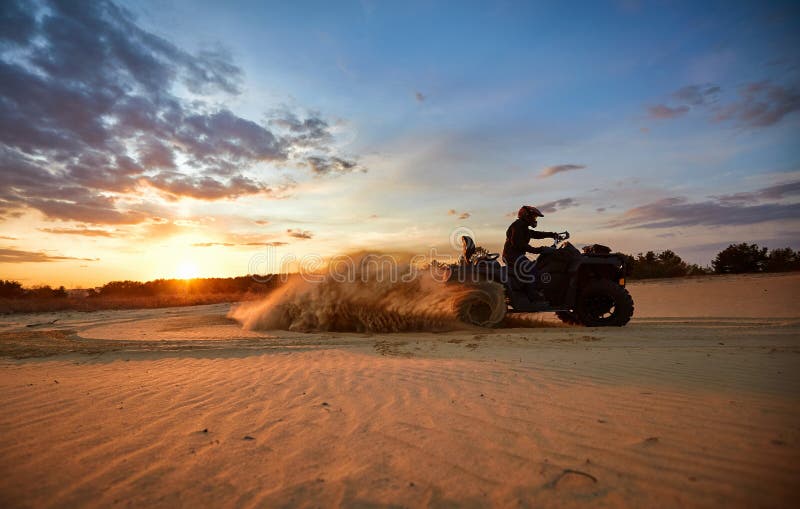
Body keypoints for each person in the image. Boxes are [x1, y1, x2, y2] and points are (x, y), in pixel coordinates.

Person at [502, 205, 560, 285]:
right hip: (512, 257)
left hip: (517, 256)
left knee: (538, 266)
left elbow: (536, 234)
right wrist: (540, 250)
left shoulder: (523, 227)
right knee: (533, 271)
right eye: (534, 217)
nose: (535, 219)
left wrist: (552, 234)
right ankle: (533, 293)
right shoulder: (517, 226)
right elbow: (519, 244)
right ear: (527, 216)